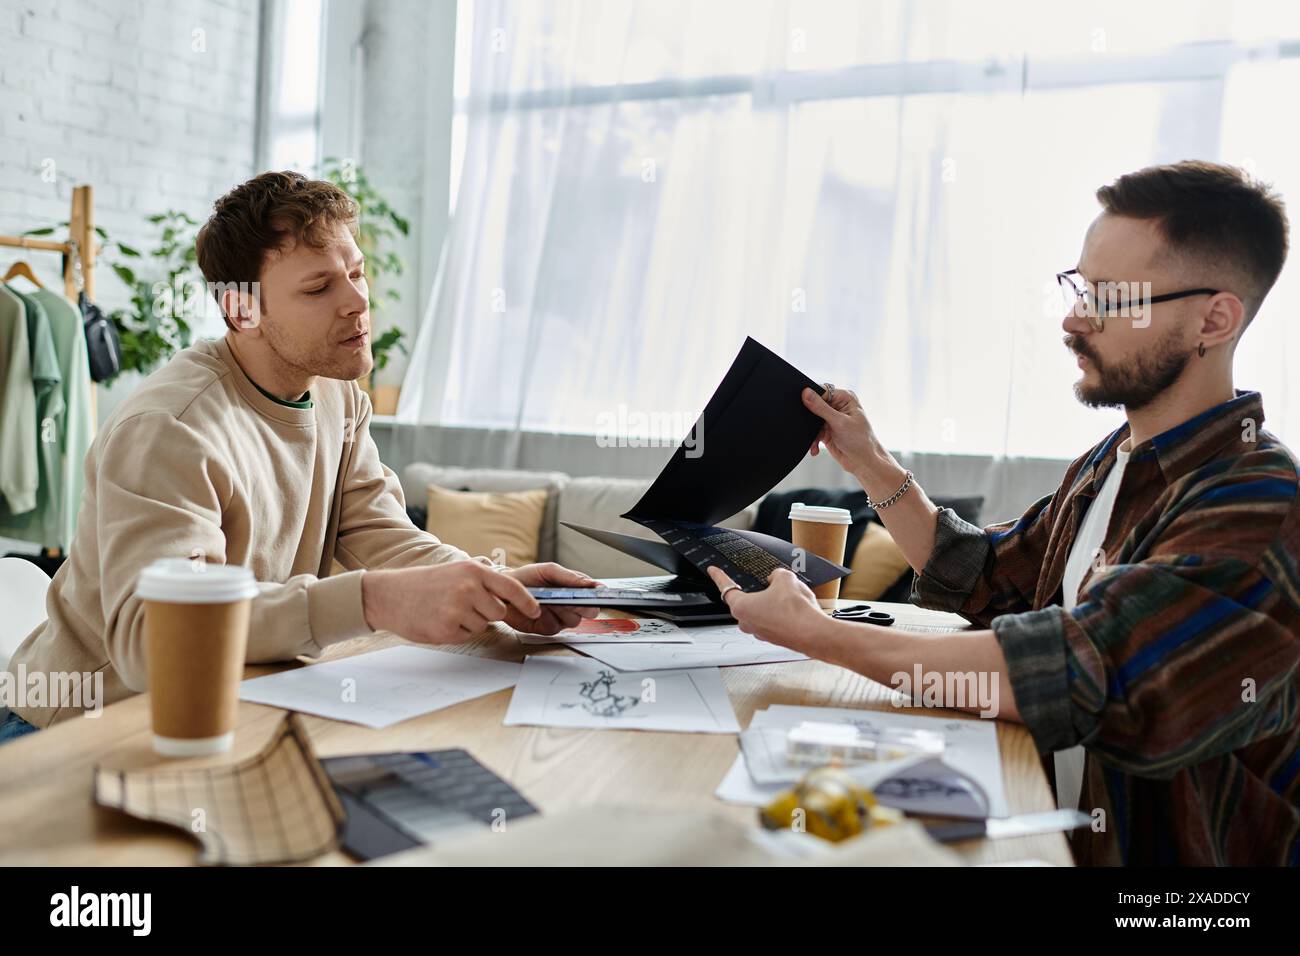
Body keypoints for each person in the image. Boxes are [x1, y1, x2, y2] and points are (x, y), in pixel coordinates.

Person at [708, 160, 1299, 866]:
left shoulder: (1259, 503)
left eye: (1110, 298)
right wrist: (868, 460)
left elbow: (1085, 672)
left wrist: (817, 634)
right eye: (1080, 287)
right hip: (1049, 824)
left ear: (1214, 318)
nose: (1074, 319)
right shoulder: (1112, 462)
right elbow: (987, 576)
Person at [2, 171, 597, 741]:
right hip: (74, 731)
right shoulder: (169, 429)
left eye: (357, 273)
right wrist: (371, 599)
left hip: (225, 710)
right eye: (318, 288)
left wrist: (493, 588)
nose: (357, 302)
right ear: (242, 310)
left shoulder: (335, 393)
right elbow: (154, 639)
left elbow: (381, 533)